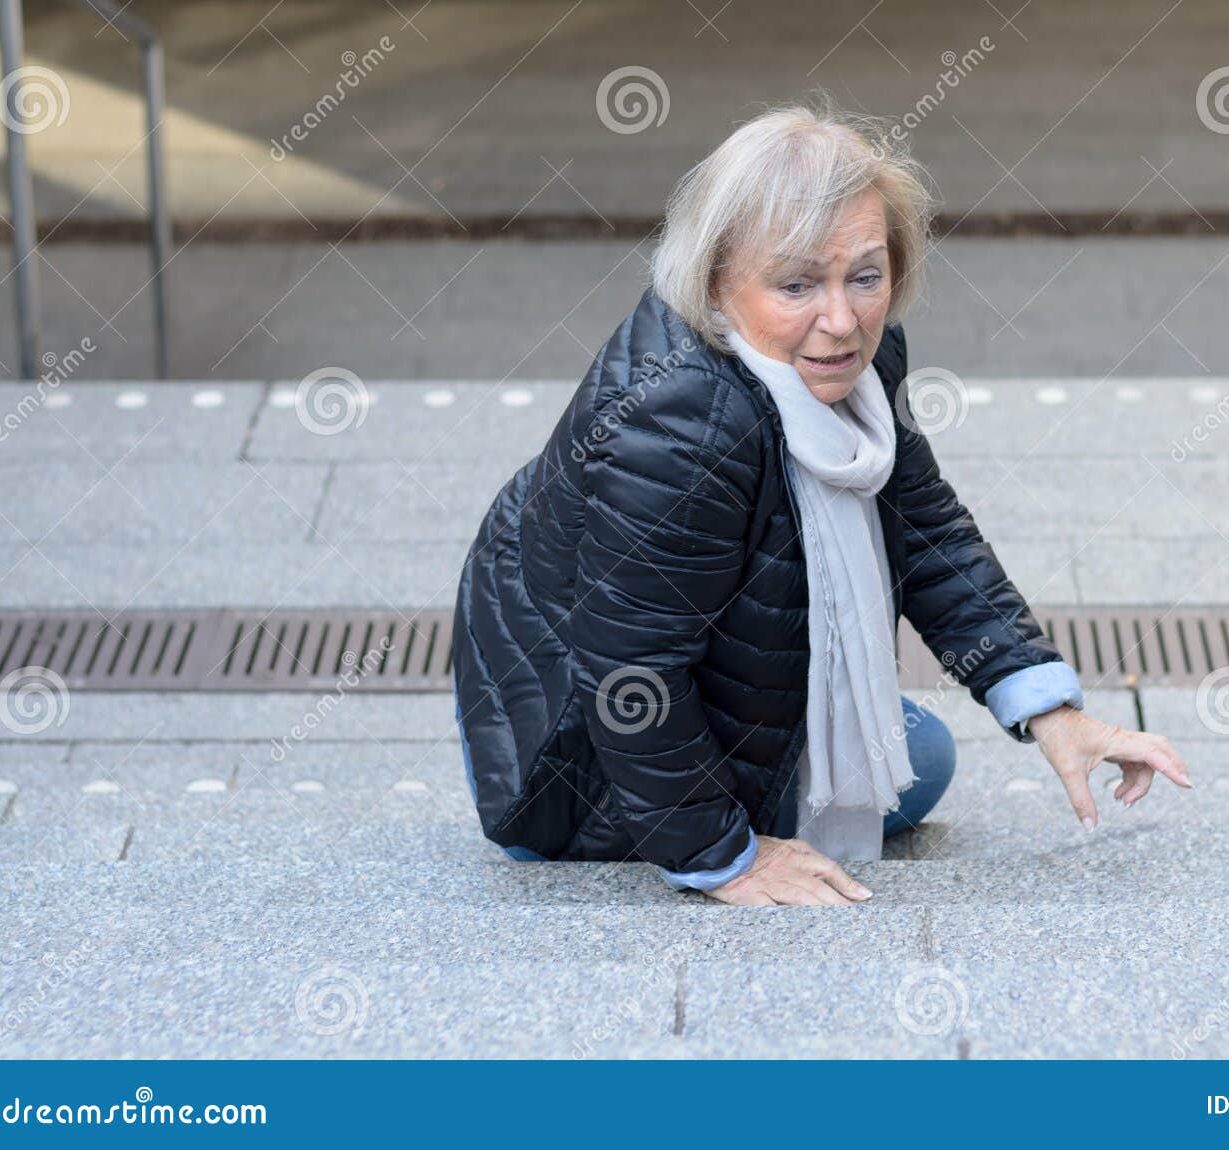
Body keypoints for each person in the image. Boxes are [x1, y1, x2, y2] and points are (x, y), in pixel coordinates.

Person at [450, 99, 1191, 906]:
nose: (841, 321)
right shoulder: (680, 424)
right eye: (797, 283)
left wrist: (1048, 708)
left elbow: (925, 530)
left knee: (920, 756)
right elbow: (630, 674)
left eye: (865, 276)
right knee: (913, 765)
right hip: (572, 756)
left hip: (685, 670)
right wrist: (722, 856)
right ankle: (608, 841)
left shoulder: (861, 361)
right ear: (715, 279)